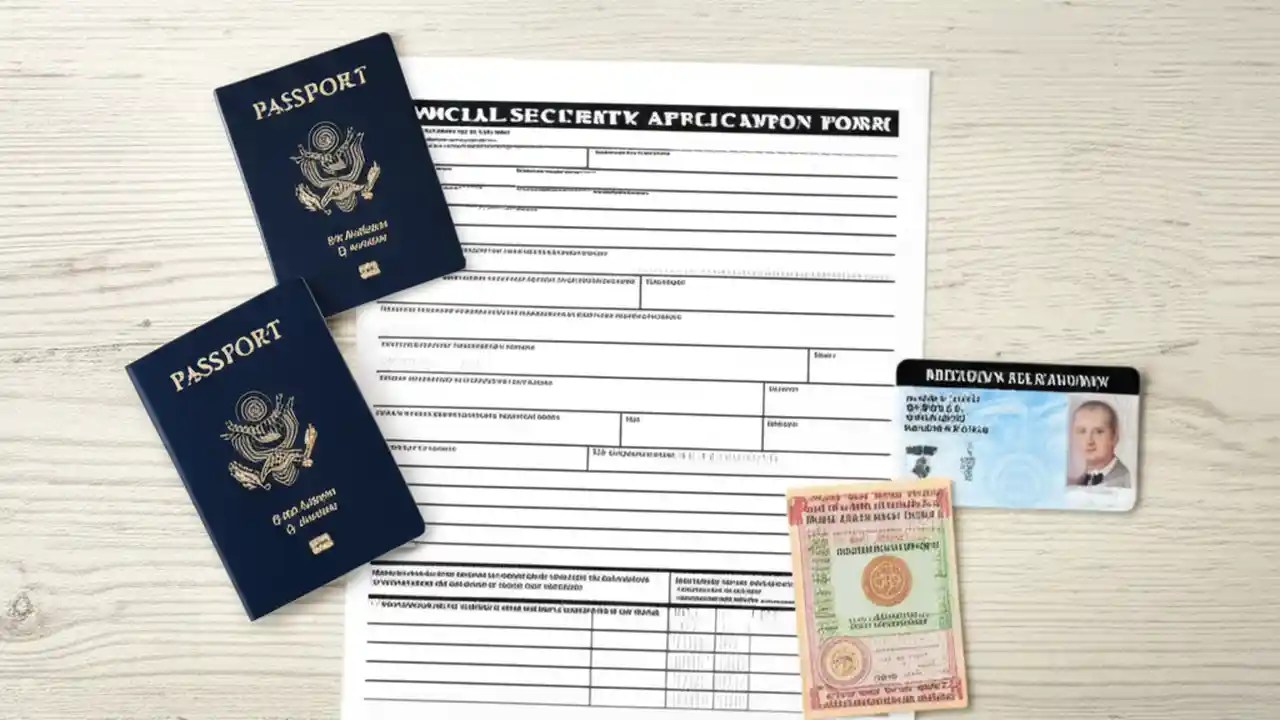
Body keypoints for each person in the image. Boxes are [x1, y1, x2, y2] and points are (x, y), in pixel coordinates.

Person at [1067, 400, 1131, 488]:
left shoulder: (1126, 480)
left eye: (1098, 432)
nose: (1089, 441)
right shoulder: (1065, 478)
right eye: (1082, 431)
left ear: (1114, 437)